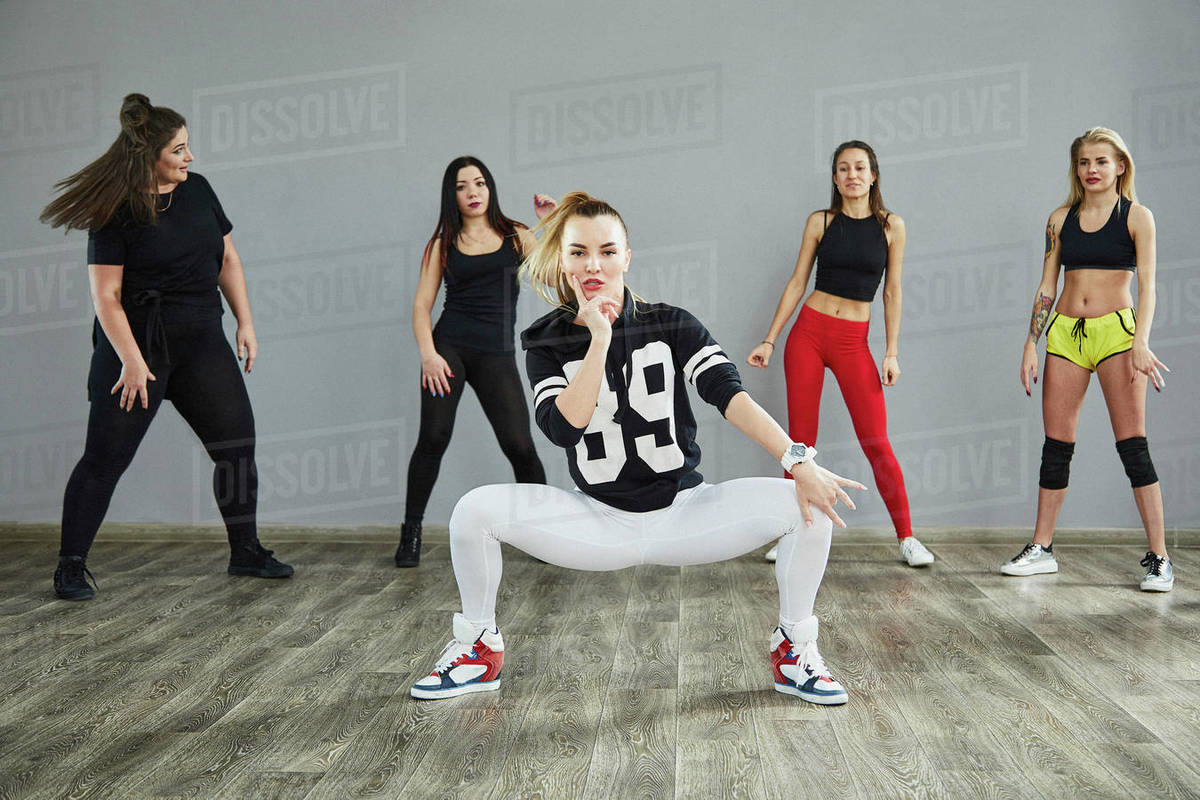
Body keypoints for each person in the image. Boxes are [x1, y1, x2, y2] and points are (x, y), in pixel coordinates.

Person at [409, 192, 864, 705]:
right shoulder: (544, 340)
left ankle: (795, 650)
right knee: (473, 511)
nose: (593, 265)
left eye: (607, 251)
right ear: (562, 259)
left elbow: (728, 395)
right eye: (578, 252)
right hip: (597, 520)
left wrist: (797, 460)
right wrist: (598, 339)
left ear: (627, 256)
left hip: (686, 513)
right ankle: (478, 649)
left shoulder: (672, 322)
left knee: (813, 505)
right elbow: (561, 430)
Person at [39, 93, 291, 601]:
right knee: (104, 458)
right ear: (150, 155)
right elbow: (106, 297)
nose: (190, 157)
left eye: (188, 146)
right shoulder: (114, 212)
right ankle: (70, 565)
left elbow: (229, 261)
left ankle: (245, 551)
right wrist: (132, 362)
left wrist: (246, 322)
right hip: (136, 346)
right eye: (179, 149)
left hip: (201, 340)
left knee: (236, 447)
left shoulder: (198, 191)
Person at [747, 141, 933, 567]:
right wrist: (770, 339)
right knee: (799, 443)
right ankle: (788, 534)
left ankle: (907, 538)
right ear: (835, 178)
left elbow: (893, 290)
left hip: (854, 341)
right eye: (843, 168)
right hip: (809, 334)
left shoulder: (891, 227)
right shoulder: (821, 221)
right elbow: (798, 282)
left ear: (873, 176)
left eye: (860, 168)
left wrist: (891, 351)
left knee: (877, 442)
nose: (852, 175)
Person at [1008, 127, 1172, 591]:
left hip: (1118, 336)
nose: (1092, 170)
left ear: (1120, 165)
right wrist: (1029, 343)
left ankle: (1160, 557)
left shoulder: (1137, 217)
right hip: (1065, 333)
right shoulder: (1060, 219)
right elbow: (1047, 284)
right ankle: (1042, 548)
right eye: (1084, 162)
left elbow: (1149, 287)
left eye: (1102, 161)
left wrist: (1141, 340)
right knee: (1056, 445)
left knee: (1132, 446)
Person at [397, 156, 554, 567]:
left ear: (490, 189)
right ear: (453, 195)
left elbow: (555, 276)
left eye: (479, 183)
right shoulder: (442, 244)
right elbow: (420, 306)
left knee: (519, 445)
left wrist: (552, 223)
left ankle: (543, 534)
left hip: (495, 353)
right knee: (433, 439)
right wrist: (428, 354)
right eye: (463, 186)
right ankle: (410, 534)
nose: (473, 192)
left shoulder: (518, 235)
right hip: (449, 348)